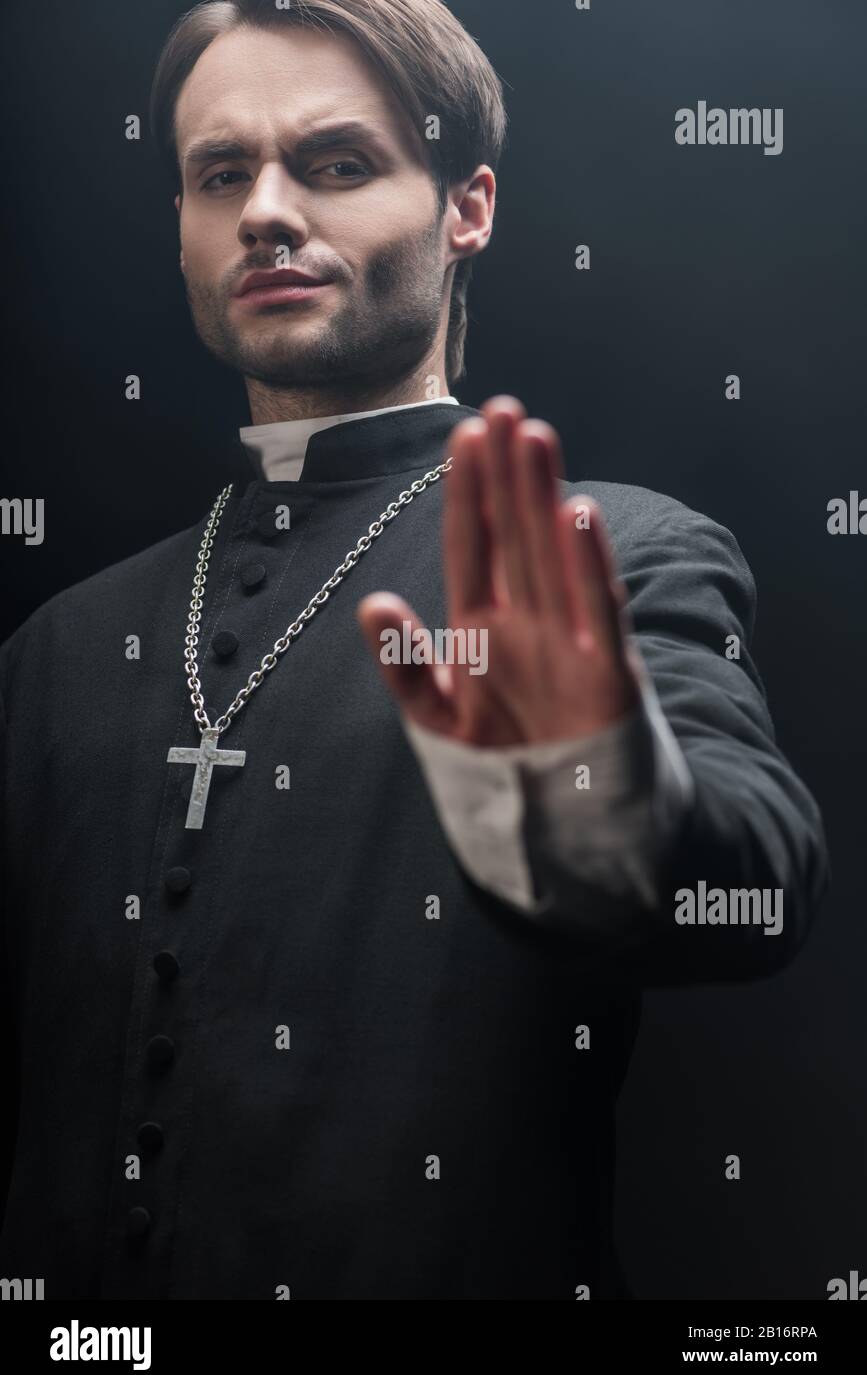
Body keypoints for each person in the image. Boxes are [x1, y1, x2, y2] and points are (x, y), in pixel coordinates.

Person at [0, 0, 828, 1300]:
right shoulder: (52, 651)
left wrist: (599, 802)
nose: (266, 211)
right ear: (181, 224)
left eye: (334, 163)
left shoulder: (613, 550)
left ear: (467, 206)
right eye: (221, 174)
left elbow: (762, 884)